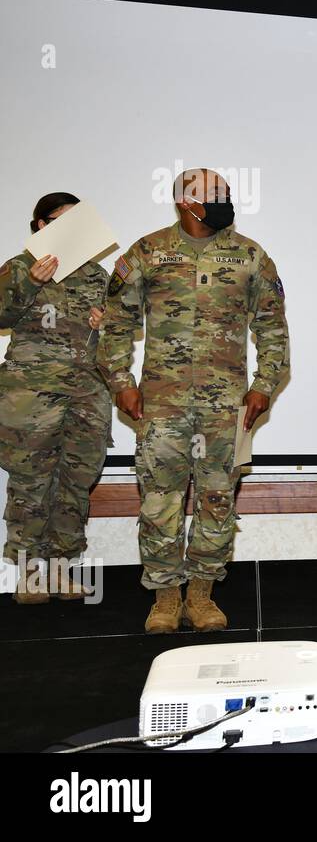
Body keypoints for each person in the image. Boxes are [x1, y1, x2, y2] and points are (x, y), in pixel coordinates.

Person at [98, 168, 289, 633]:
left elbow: (272, 326)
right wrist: (121, 380)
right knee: (159, 503)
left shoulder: (249, 255)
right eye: (216, 195)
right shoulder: (147, 252)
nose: (226, 200)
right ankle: (165, 597)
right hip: (161, 405)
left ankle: (202, 595)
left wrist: (265, 383)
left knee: (217, 501)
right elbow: (116, 323)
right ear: (186, 202)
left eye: (226, 193)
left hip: (226, 407)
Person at [0, 193, 111, 604]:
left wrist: (108, 323)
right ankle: (29, 574)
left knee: (76, 482)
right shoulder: (19, 268)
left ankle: (63, 570)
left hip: (87, 393)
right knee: (31, 482)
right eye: (63, 220)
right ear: (42, 226)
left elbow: (122, 331)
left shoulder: (99, 277)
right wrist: (31, 283)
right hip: (31, 397)